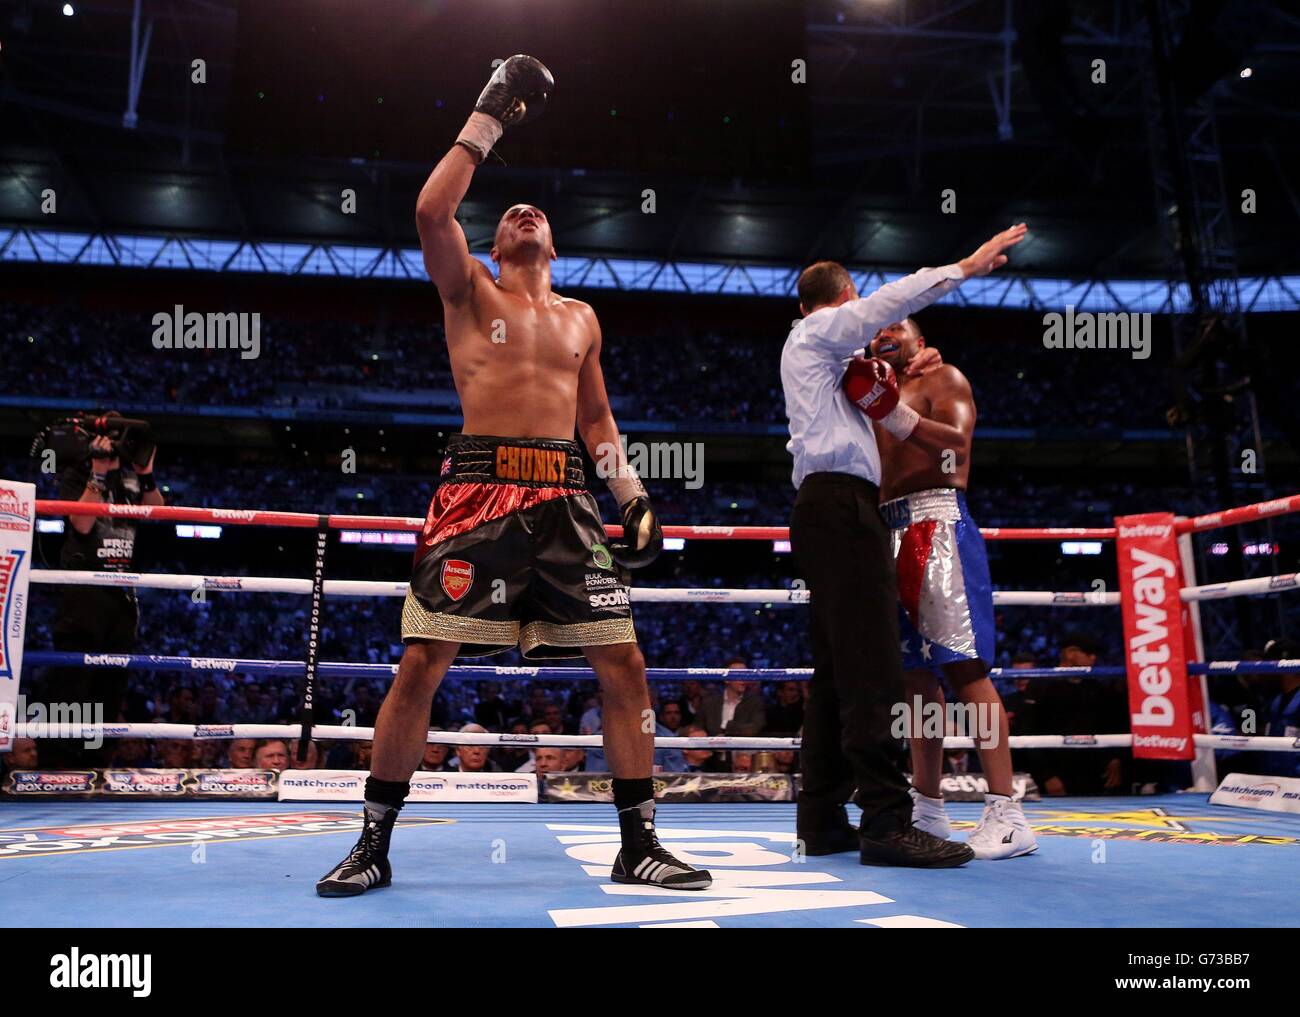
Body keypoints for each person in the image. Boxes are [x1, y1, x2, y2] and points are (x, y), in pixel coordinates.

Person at [317, 56, 709, 897]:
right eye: (508, 214)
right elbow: (430, 208)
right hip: (479, 490)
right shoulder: (469, 294)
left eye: (538, 212)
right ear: (492, 244)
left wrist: (632, 495)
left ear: (553, 244)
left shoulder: (581, 318)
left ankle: (639, 842)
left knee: (626, 665)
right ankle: (373, 842)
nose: (524, 212)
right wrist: (489, 114)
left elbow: (597, 421)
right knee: (423, 662)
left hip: (568, 497)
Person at [780, 223, 1026, 868]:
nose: (882, 337)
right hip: (854, 514)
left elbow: (938, 440)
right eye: (875, 329)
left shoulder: (888, 379)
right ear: (845, 302)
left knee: (857, 673)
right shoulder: (818, 335)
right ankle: (895, 820)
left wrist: (904, 384)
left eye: (896, 338)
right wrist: (964, 268)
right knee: (883, 674)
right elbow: (886, 308)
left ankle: (836, 819)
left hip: (913, 520)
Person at [862, 316, 1035, 859]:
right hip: (886, 528)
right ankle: (928, 805)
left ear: (919, 339)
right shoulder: (873, 390)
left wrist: (896, 411)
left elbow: (956, 444)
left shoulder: (945, 379)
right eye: (875, 331)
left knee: (964, 669)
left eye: (896, 326)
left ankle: (1008, 813)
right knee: (914, 681)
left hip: (936, 524)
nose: (882, 335)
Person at [42, 418, 163, 767]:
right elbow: (80, 523)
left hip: (121, 592)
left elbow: (157, 513)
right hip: (83, 592)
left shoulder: (131, 478)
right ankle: (59, 766)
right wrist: (96, 473)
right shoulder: (77, 473)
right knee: (72, 683)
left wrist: (146, 472)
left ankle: (96, 764)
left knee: (110, 686)